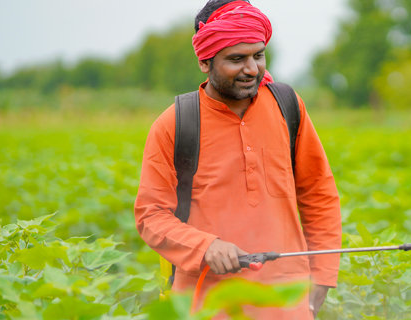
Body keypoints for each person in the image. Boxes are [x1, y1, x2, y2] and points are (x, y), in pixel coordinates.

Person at [133, 0, 342, 318]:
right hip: (207, 302)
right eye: (236, 59)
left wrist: (323, 276)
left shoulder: (288, 106)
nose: (252, 69)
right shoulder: (176, 123)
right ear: (205, 61)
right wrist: (206, 246)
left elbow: (319, 194)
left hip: (285, 300)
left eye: (258, 55)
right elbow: (151, 216)